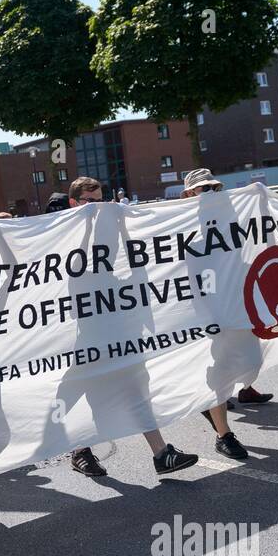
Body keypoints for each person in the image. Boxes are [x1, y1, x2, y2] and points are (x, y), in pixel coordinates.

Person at [64, 176, 199, 476]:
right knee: (91, 401)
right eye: (88, 202)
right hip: (90, 338)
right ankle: (80, 451)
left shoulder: (108, 233)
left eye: (100, 200)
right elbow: (75, 269)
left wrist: (124, 226)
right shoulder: (65, 238)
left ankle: (161, 454)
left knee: (137, 392)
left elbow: (134, 267)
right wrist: (86, 225)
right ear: (74, 203)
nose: (96, 207)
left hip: (120, 334)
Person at [179, 169, 273, 407]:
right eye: (205, 188)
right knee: (221, 352)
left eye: (214, 188)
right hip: (210, 295)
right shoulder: (184, 221)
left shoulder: (227, 210)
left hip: (236, 289)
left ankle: (245, 388)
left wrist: (258, 196)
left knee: (251, 351)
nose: (211, 192)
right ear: (190, 193)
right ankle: (218, 396)